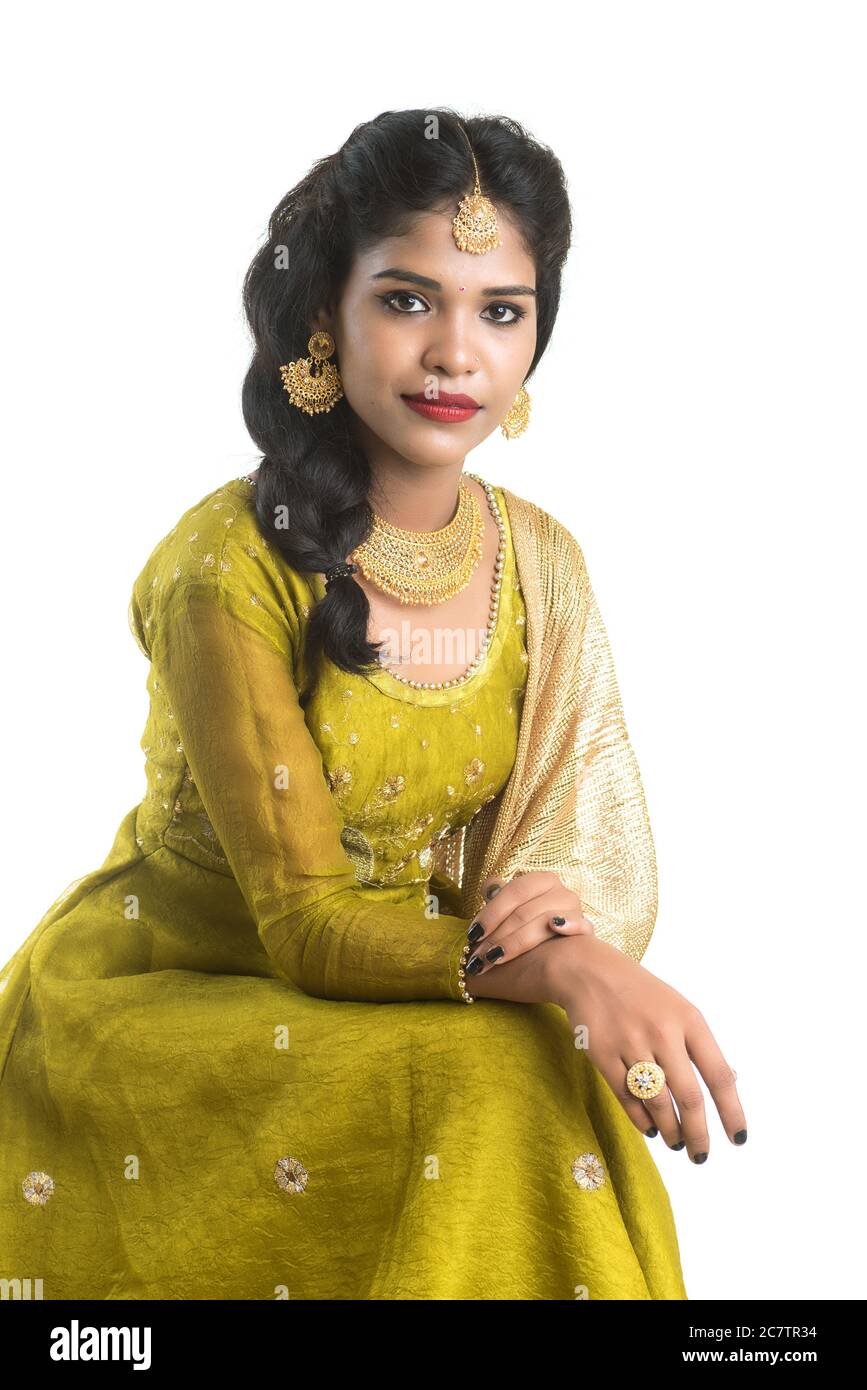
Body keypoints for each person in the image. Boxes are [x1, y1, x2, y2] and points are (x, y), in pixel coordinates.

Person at [0, 108, 745, 1302]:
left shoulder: (535, 559)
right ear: (321, 321)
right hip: (183, 992)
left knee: (524, 1071)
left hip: (408, 973)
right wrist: (556, 972)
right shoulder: (229, 569)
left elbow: (571, 825)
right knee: (493, 1076)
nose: (458, 353)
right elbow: (304, 921)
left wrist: (561, 929)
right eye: (408, 301)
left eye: (500, 311)